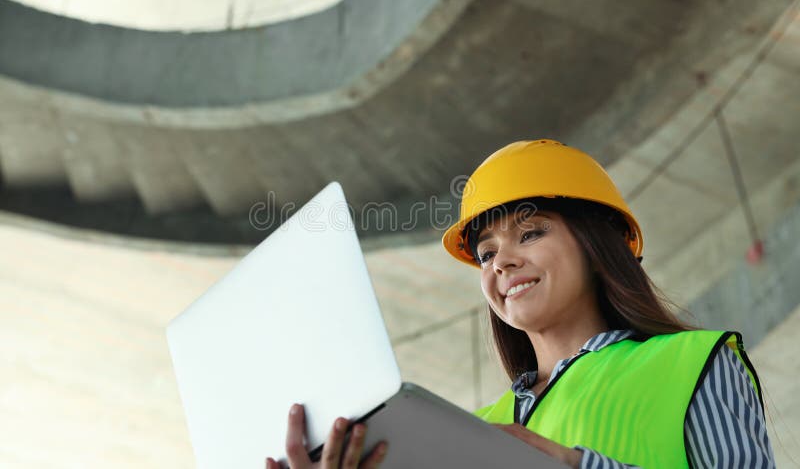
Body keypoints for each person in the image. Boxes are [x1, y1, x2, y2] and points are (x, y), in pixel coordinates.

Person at [269, 139, 775, 468]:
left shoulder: (691, 365)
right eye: (486, 253)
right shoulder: (469, 427)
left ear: (600, 248)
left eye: (529, 233)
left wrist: (580, 467)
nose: (500, 263)